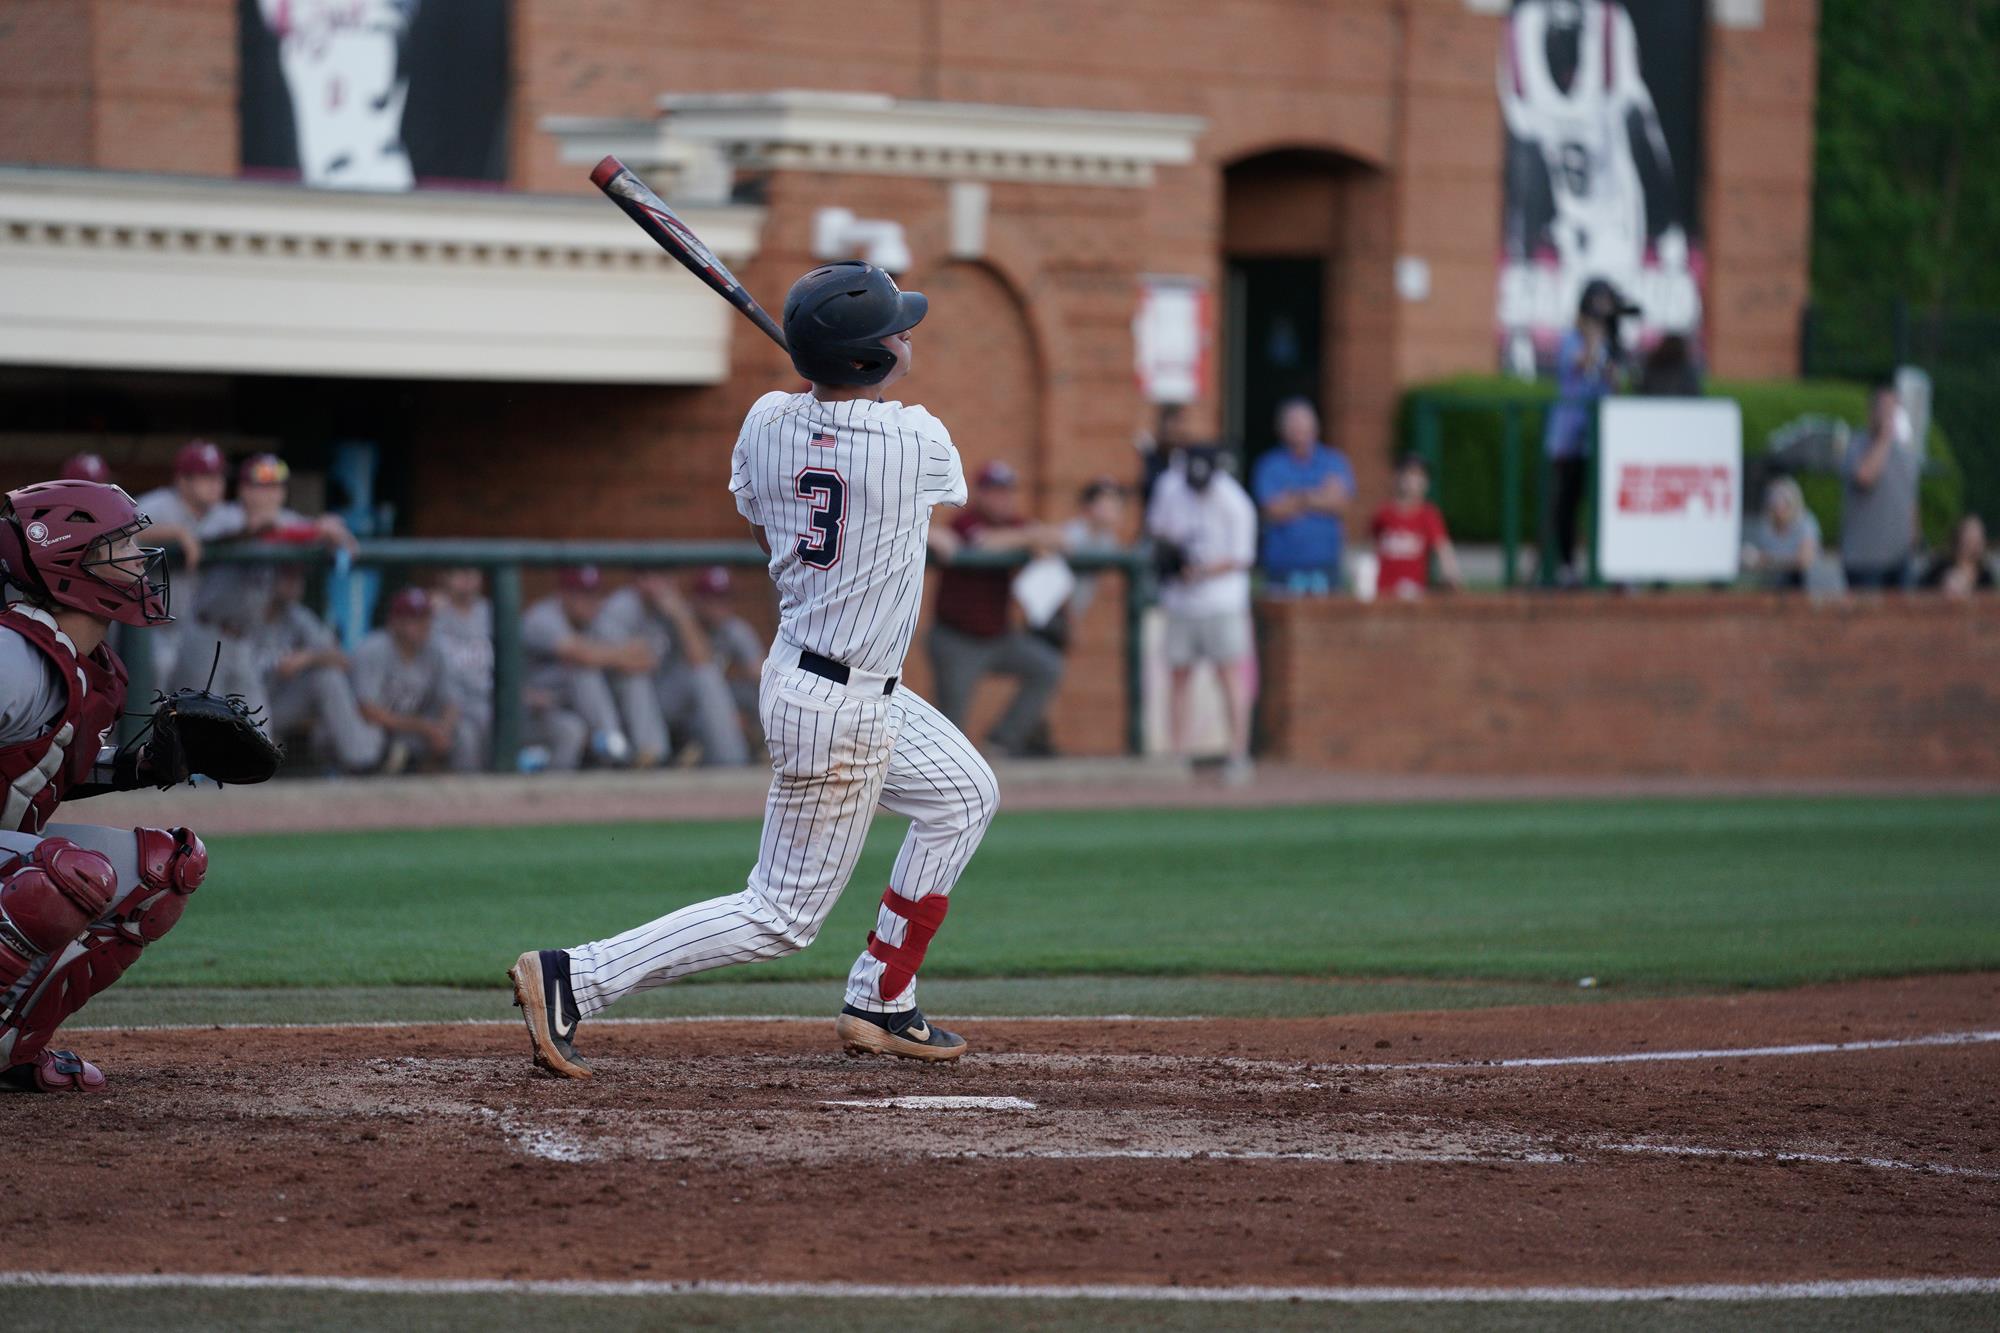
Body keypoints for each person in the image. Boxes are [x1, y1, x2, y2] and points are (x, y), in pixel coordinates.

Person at [511, 259, 994, 1075]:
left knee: (965, 793)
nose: (906, 337)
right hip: (838, 711)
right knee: (779, 915)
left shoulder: (766, 420)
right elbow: (914, 477)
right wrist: (841, 405)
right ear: (868, 357)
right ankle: (575, 977)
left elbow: (771, 519)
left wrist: (826, 398)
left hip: (828, 678)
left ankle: (883, 996)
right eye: (894, 331)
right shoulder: (918, 440)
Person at [0, 479, 211, 1092]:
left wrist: (139, 768)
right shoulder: (14, 657)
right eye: (120, 547)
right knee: (66, 878)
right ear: (69, 564)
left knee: (164, 868)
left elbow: (34, 764)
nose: (140, 561)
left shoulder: (77, 657)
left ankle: (11, 1049)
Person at [926, 460, 1069, 757]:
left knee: (1047, 667)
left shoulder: (1014, 524)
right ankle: (942, 770)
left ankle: (1001, 740)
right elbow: (983, 543)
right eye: (994, 491)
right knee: (951, 726)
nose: (1002, 498)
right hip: (956, 639)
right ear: (980, 493)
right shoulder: (965, 521)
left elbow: (1060, 540)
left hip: (999, 639)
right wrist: (1029, 538)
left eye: (1007, 491)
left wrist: (1033, 538)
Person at [1147, 444, 1259, 784]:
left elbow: (1242, 557)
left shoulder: (1235, 501)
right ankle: (1177, 757)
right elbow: (1157, 531)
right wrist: (1174, 560)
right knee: (1179, 676)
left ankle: (1238, 754)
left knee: (1229, 675)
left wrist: (1201, 571)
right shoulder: (1170, 487)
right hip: (1180, 601)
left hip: (1222, 600)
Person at [592, 570, 751, 768]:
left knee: (706, 676)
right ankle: (652, 757)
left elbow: (703, 662)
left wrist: (680, 616)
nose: (662, 584)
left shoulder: (672, 607)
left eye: (667, 576)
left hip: (662, 701)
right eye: (655, 575)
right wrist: (636, 656)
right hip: (619, 703)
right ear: (640, 579)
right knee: (635, 677)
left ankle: (732, 763)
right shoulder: (623, 605)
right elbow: (626, 660)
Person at [247, 564, 386, 774]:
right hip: (240, 710)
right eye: (288, 577)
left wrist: (306, 658)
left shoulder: (296, 616)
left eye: (298, 577)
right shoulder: (244, 613)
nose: (295, 584)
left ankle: (362, 762)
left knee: (327, 677)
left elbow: (342, 659)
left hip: (276, 707)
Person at [520, 565, 650, 768]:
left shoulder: (597, 619)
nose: (591, 602)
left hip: (570, 705)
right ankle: (614, 752)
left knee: (631, 676)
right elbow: (581, 655)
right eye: (582, 594)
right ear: (563, 594)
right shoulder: (541, 617)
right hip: (534, 708)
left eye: (595, 594)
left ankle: (649, 753)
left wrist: (611, 656)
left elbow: (645, 657)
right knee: (582, 673)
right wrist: (619, 655)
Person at [131, 441, 239, 682]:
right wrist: (175, 533)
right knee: (154, 684)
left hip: (197, 630)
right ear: (182, 480)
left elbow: (256, 528)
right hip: (154, 630)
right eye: (206, 476)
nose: (216, 484)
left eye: (219, 476)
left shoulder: (223, 515)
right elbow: (119, 531)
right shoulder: (158, 505)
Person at [1542, 280, 1623, 585]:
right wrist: (1593, 336)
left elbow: (1615, 384)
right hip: (1568, 437)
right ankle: (1566, 567)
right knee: (1566, 503)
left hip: (1600, 437)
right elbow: (1580, 363)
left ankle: (1611, 567)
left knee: (1605, 503)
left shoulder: (1611, 344)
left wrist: (1611, 351)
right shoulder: (1571, 340)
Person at [350, 587, 477, 773]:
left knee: (464, 732)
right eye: (415, 619)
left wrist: (443, 729)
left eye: (426, 617)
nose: (424, 625)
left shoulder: (435, 649)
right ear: (395, 622)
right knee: (371, 739)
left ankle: (463, 787)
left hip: (415, 732)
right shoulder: (373, 649)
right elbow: (367, 711)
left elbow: (452, 701)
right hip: (378, 730)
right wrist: (424, 727)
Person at [1251, 397, 1353, 595]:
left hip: (1326, 566)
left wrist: (1295, 497)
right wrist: (1319, 496)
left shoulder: (1334, 461)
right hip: (1282, 567)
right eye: (1293, 424)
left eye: (1303, 424)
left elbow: (1341, 504)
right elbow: (1273, 510)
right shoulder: (1269, 465)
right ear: (1281, 429)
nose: (1298, 430)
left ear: (1315, 427)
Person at [1840, 379, 1921, 590]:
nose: (1890, 414)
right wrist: (1884, 438)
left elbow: (1910, 499)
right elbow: (1864, 477)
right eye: (1884, 408)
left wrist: (1913, 538)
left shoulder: (1905, 452)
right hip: (1864, 562)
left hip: (1900, 561)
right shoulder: (1857, 445)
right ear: (1872, 413)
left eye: (1894, 408)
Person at [687, 566, 768, 752]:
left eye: (725, 598)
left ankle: (772, 747)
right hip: (685, 708)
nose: (720, 606)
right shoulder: (683, 623)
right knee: (707, 680)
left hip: (716, 709)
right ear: (697, 600)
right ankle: (733, 759)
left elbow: (762, 674)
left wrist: (741, 714)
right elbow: (701, 663)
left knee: (762, 689)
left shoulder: (733, 628)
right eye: (712, 599)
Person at [1370, 455, 1462, 599]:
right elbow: (1372, 547)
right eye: (1410, 474)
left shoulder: (1428, 515)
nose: (1415, 481)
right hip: (1384, 592)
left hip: (1413, 593)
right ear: (1398, 477)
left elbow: (1443, 548)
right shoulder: (1384, 513)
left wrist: (1451, 574)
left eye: (1420, 476)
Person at [429, 566, 494, 769]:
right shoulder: (432, 612)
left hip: (485, 700)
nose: (467, 580)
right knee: (466, 735)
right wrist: (429, 611)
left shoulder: (491, 612)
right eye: (459, 573)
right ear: (444, 577)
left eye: (472, 573)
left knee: (489, 718)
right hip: (442, 703)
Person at [1740, 476, 1821, 591]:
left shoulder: (1805, 523)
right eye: (1775, 504)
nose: (1779, 510)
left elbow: (1804, 560)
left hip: (1806, 586)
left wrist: (1769, 560)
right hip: (1775, 584)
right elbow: (1757, 557)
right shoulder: (1766, 525)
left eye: (1784, 504)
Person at [1920, 515, 1995, 598]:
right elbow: (1921, 592)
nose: (1974, 545)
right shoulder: (1940, 569)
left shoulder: (1985, 575)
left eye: (1978, 539)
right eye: (1969, 539)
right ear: (1958, 539)